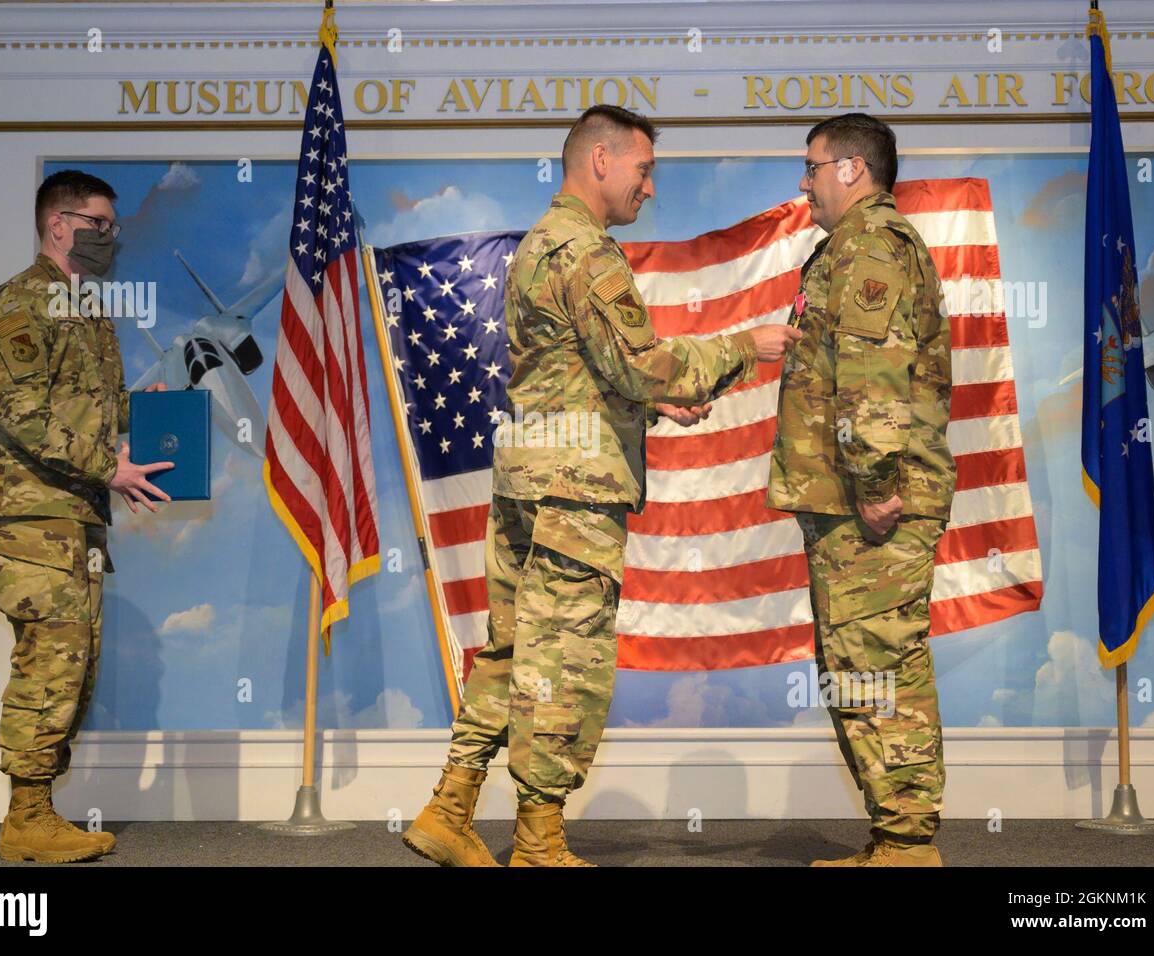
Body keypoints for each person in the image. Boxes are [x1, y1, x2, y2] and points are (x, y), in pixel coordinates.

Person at [403, 105, 802, 867]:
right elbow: (640, 363)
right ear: (600, 160)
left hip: (530, 478)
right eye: (643, 169)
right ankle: (539, 841)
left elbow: (583, 372)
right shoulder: (588, 253)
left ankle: (448, 807)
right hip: (573, 494)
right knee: (565, 662)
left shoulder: (535, 247)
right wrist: (742, 346)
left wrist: (649, 397)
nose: (650, 188)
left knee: (513, 651)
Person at [767, 113, 956, 866]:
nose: (804, 182)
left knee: (879, 666)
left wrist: (876, 482)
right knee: (859, 668)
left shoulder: (871, 247)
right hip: (846, 503)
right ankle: (895, 840)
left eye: (811, 167)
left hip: (870, 504)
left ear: (851, 169)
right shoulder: (847, 249)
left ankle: (908, 846)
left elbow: (870, 375)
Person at [0, 169, 173, 862]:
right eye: (99, 224)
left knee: (73, 663)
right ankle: (26, 819)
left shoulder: (86, 310)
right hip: (28, 512)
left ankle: (37, 812)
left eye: (113, 227)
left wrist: (151, 419)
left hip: (71, 511)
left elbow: (91, 417)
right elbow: (21, 415)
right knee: (50, 660)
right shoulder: (23, 304)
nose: (110, 237)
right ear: (58, 224)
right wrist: (108, 465)